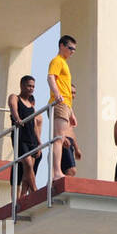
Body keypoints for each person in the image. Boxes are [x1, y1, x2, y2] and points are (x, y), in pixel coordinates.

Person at [47, 35, 77, 183]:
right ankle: (57, 172)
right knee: (58, 139)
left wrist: (71, 112)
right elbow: (51, 77)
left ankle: (57, 171)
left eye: (74, 49)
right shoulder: (57, 61)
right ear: (62, 46)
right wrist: (57, 94)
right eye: (70, 48)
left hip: (65, 105)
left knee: (59, 138)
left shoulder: (64, 63)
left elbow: (66, 89)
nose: (72, 51)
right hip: (59, 103)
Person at [8, 75, 41, 197]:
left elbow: (34, 125)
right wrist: (17, 119)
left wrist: (39, 142)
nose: (31, 88)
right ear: (22, 85)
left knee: (30, 167)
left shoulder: (31, 105)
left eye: (33, 86)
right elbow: (13, 108)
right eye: (29, 85)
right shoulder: (14, 97)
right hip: (20, 136)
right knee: (27, 163)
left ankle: (24, 194)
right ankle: (35, 190)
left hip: (31, 137)